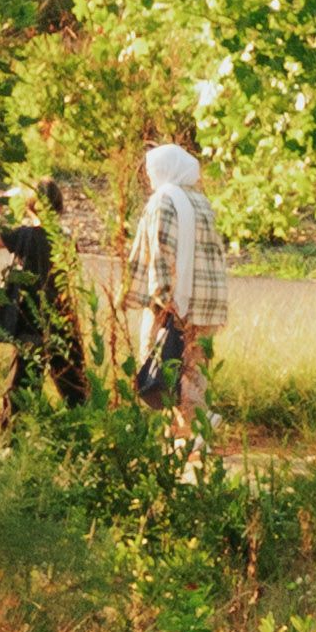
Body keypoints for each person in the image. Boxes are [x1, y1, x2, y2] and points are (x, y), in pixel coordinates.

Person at [125, 130, 221, 422]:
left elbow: (160, 253)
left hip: (175, 301)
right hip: (207, 303)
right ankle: (193, 429)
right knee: (193, 369)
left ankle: (194, 426)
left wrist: (163, 302)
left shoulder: (162, 201)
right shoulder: (202, 202)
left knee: (157, 364)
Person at [0, 182, 94, 419]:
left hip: (30, 320)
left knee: (22, 390)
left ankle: (13, 443)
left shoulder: (24, 236)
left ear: (30, 206)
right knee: (75, 389)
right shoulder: (67, 239)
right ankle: (85, 435)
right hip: (62, 320)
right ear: (59, 207)